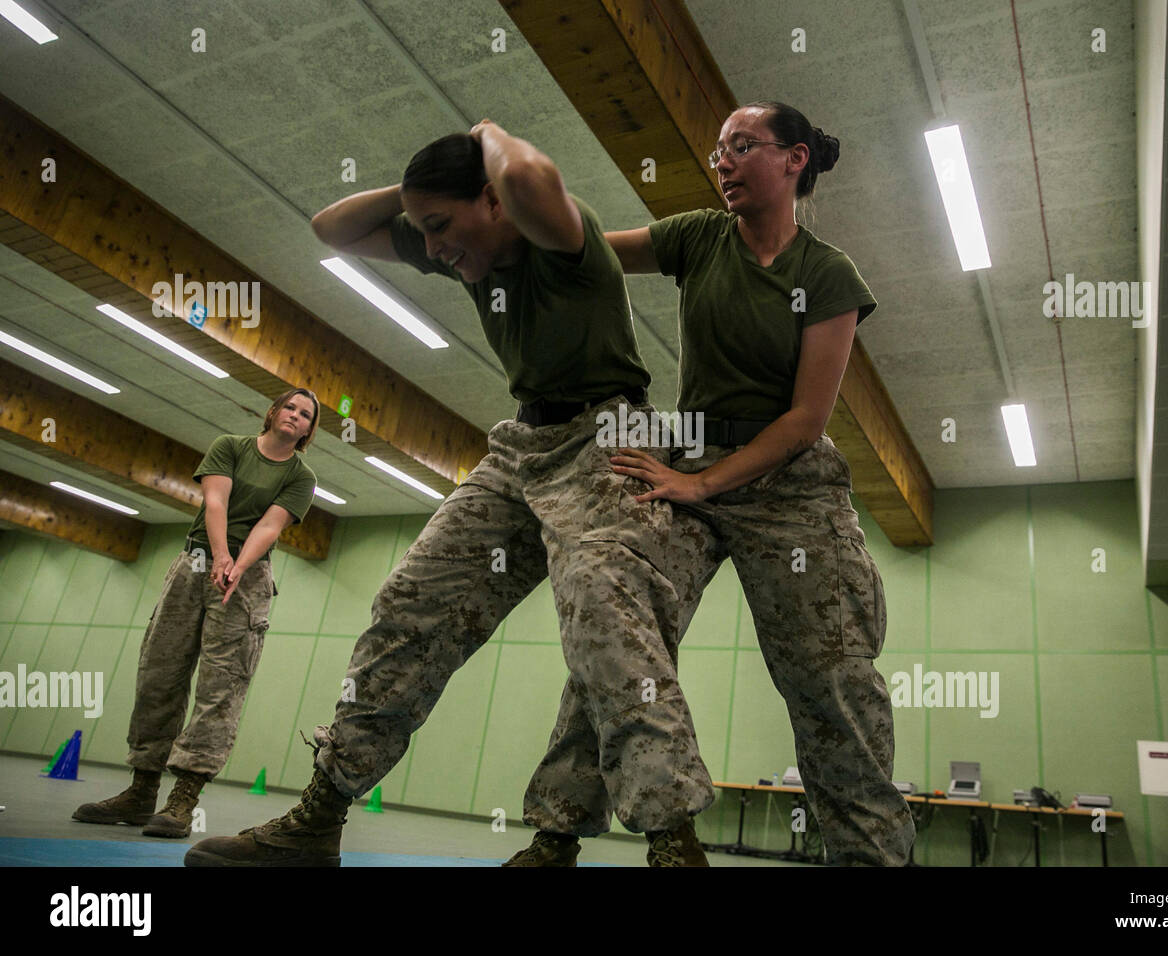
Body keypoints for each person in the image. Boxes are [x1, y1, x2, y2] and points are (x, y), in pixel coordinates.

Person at [185, 121, 715, 868]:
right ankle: (319, 817)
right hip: (520, 449)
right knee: (410, 603)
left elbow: (531, 176)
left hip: (608, 440)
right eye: (423, 230)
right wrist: (419, 201)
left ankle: (667, 844)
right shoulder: (465, 253)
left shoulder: (562, 239)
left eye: (442, 225)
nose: (432, 247)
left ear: (493, 201)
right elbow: (331, 227)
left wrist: (485, 130)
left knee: (608, 626)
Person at [512, 102, 916, 866]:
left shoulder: (826, 274)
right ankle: (557, 832)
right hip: (691, 457)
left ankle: (872, 859)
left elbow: (804, 420)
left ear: (794, 160)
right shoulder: (698, 237)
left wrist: (706, 487)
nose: (721, 161)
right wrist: (521, 215)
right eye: (716, 150)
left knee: (832, 677)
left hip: (792, 487)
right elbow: (589, 249)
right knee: (616, 622)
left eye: (740, 146)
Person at [73, 389, 319, 838]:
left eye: (305, 415)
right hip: (196, 564)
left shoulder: (302, 476)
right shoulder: (230, 446)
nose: (296, 416)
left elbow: (270, 525)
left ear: (307, 430)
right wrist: (221, 555)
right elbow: (216, 502)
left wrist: (238, 566)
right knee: (159, 672)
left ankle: (182, 800)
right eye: (290, 407)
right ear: (273, 411)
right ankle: (141, 790)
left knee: (221, 686)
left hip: (249, 579)